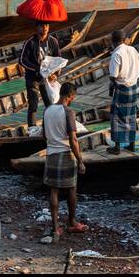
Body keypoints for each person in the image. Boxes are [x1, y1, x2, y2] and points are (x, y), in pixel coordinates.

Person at [42, 81, 88, 241]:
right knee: (71, 189)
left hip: (51, 153)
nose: (73, 99)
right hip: (65, 153)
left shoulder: (47, 110)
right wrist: (80, 160)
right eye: (73, 97)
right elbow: (73, 139)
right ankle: (72, 222)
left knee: (53, 190)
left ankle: (56, 228)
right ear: (70, 96)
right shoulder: (68, 111)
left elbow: (44, 135)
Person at [107, 29, 139, 154]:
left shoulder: (116, 54)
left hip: (122, 88)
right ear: (124, 40)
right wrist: (131, 70)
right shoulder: (132, 49)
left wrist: (110, 87)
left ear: (113, 42)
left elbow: (113, 75)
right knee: (131, 116)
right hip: (133, 87)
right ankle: (131, 144)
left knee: (117, 117)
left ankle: (117, 147)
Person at [18, 21, 60, 128]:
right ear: (36, 27)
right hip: (33, 78)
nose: (45, 28)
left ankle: (49, 127)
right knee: (33, 105)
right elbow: (22, 60)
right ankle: (32, 128)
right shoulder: (30, 42)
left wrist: (56, 74)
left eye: (47, 25)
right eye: (42, 26)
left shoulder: (53, 41)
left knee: (50, 105)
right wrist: (37, 69)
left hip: (47, 79)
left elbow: (58, 60)